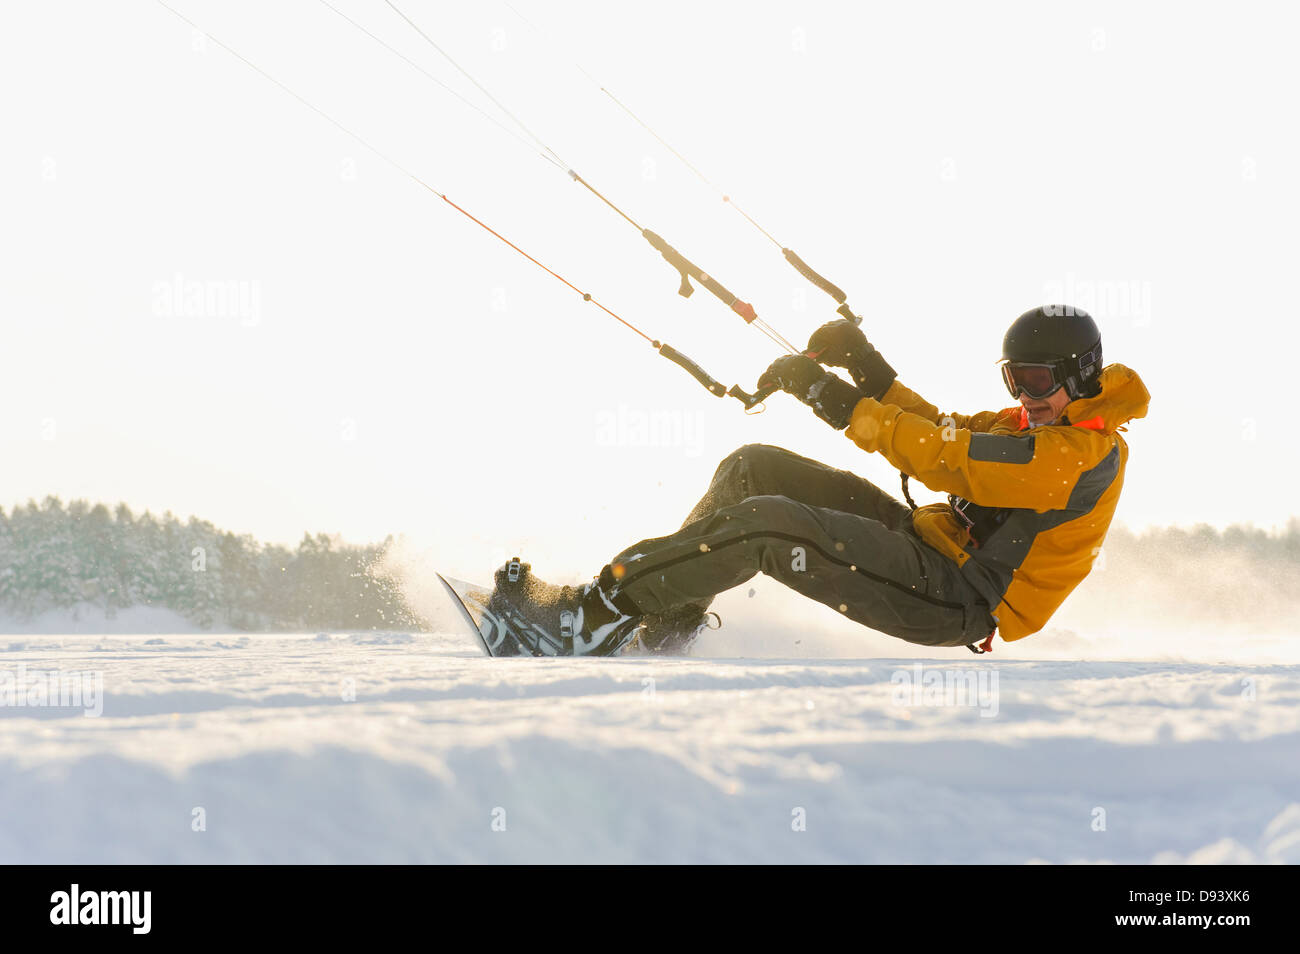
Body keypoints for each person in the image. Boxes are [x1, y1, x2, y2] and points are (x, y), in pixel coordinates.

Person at [487, 306, 1150, 656]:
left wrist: (835, 402)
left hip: (959, 596)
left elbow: (951, 461)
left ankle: (589, 617)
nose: (1025, 395)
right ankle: (663, 619)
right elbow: (943, 428)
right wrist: (869, 369)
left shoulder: (1079, 457)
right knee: (755, 469)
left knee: (770, 525)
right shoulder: (1038, 426)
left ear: (1079, 374)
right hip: (927, 542)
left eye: (1035, 381)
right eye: (1014, 379)